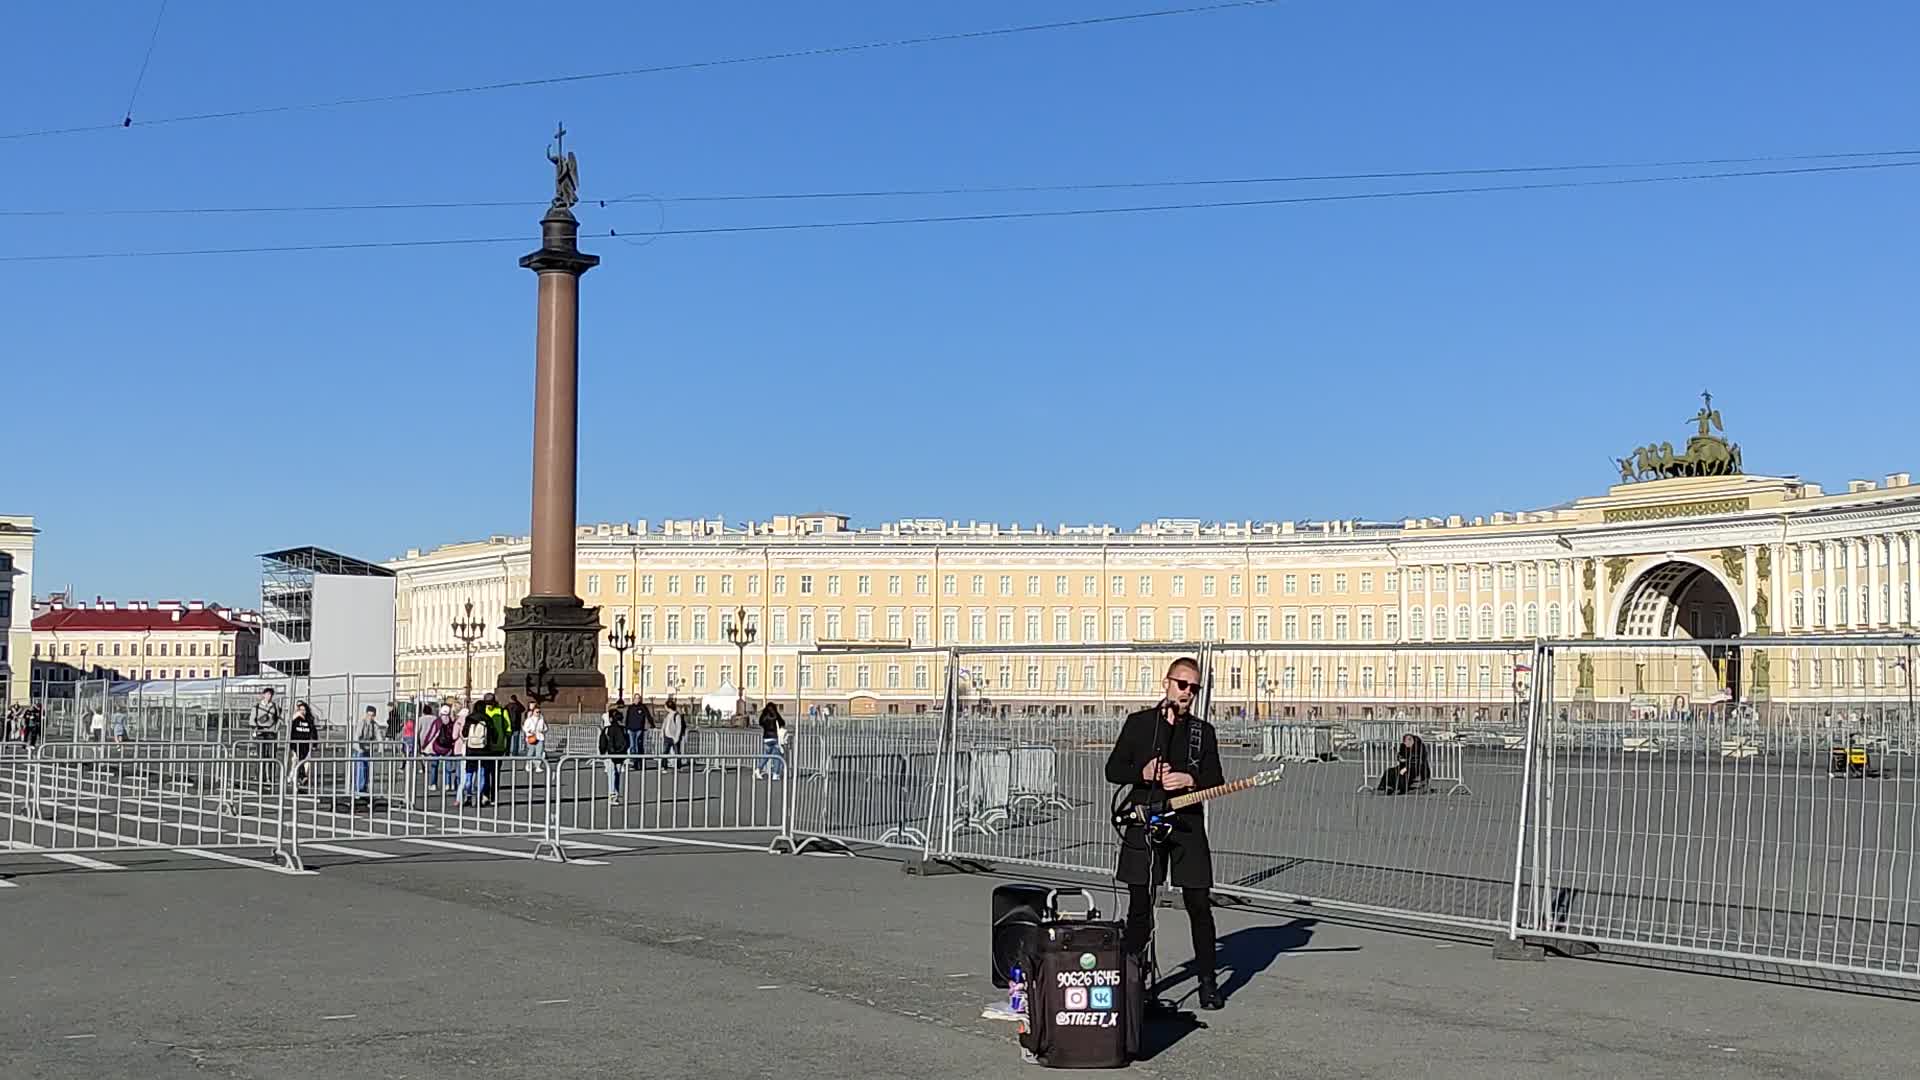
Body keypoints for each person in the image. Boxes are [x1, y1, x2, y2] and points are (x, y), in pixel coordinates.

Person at [1104, 656, 1224, 1011]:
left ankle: (1207, 982)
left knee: (1199, 904)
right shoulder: (1140, 724)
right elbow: (1113, 769)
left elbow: (1216, 778)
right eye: (1182, 684)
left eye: (1194, 688)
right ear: (1166, 683)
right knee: (1141, 904)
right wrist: (1142, 772)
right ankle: (1131, 980)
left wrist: (1190, 779)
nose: (1187, 693)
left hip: (1186, 825)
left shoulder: (1203, 732)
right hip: (1146, 819)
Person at [287, 701, 319, 789]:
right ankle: (293, 776)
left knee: (305, 762)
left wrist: (315, 745)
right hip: (296, 744)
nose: (302, 712)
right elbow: (289, 728)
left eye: (304, 710)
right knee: (295, 761)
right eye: (300, 710)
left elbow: (314, 733)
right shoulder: (295, 720)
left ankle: (303, 777)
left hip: (306, 744)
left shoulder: (309, 720)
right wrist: (294, 717)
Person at [597, 713, 626, 802]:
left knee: (611, 773)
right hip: (621, 754)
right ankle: (615, 794)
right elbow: (627, 742)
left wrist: (602, 752)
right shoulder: (623, 729)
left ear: (610, 719)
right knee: (617, 774)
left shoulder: (607, 729)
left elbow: (602, 742)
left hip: (609, 754)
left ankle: (612, 793)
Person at [755, 701, 785, 781]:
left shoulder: (764, 715)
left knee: (766, 755)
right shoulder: (775, 715)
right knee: (777, 757)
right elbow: (782, 723)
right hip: (775, 737)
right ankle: (775, 774)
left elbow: (761, 723)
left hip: (766, 738)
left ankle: (758, 769)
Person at [352, 705, 378, 794]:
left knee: (367, 769)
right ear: (366, 714)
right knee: (360, 769)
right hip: (359, 750)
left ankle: (365, 788)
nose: (370, 717)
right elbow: (356, 737)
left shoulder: (374, 725)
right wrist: (359, 749)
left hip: (367, 750)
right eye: (369, 715)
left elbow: (378, 735)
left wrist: (380, 746)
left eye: (372, 715)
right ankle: (359, 789)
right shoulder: (361, 723)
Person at [522, 702, 547, 773]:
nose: (538, 713)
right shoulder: (529, 720)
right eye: (537, 712)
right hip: (531, 737)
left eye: (539, 712)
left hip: (540, 738)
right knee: (531, 752)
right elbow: (525, 728)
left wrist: (542, 730)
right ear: (533, 712)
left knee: (539, 753)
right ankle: (528, 764)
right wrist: (529, 731)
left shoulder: (541, 720)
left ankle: (538, 766)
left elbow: (545, 728)